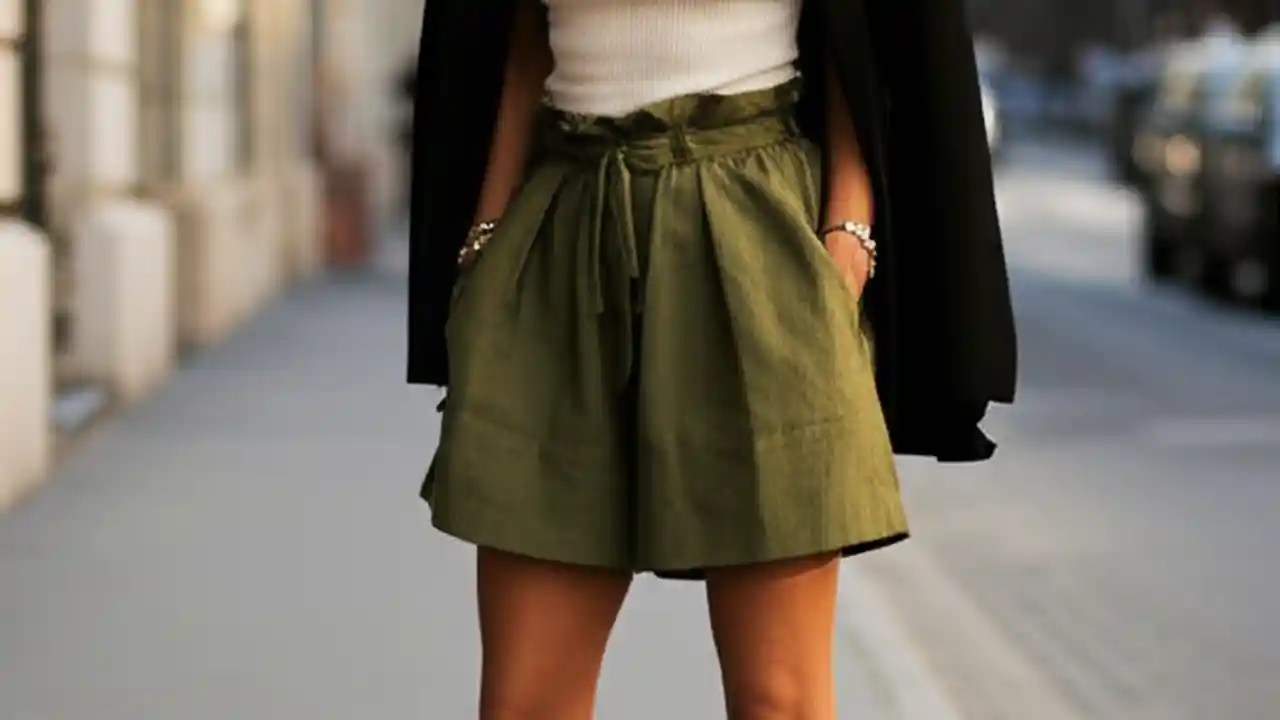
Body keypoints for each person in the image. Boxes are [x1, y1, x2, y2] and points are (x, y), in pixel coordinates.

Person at [406, 1, 1017, 717]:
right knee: (526, 704)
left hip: (758, 226)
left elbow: (861, 29)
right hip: (562, 227)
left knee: (777, 701)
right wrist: (483, 244)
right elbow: (516, 40)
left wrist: (848, 232)